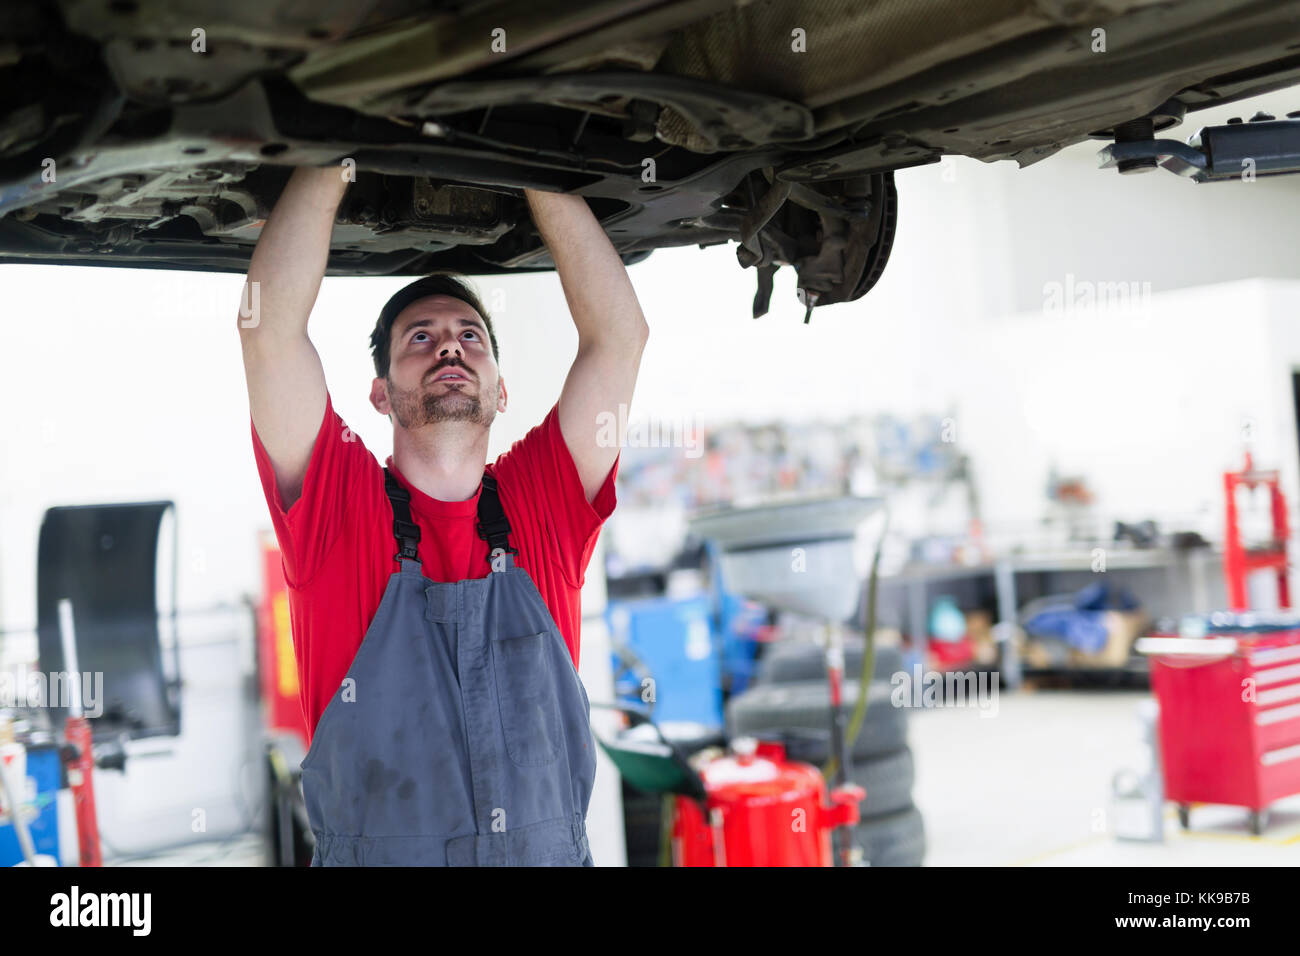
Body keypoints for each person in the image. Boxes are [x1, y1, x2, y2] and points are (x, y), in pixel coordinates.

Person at [237, 165, 649, 866]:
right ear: (380, 393)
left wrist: (526, 159)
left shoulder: (543, 500)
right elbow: (268, 330)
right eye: (419, 339)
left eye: (470, 336)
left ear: (501, 388)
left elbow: (621, 337)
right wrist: (330, 151)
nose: (450, 346)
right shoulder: (339, 505)